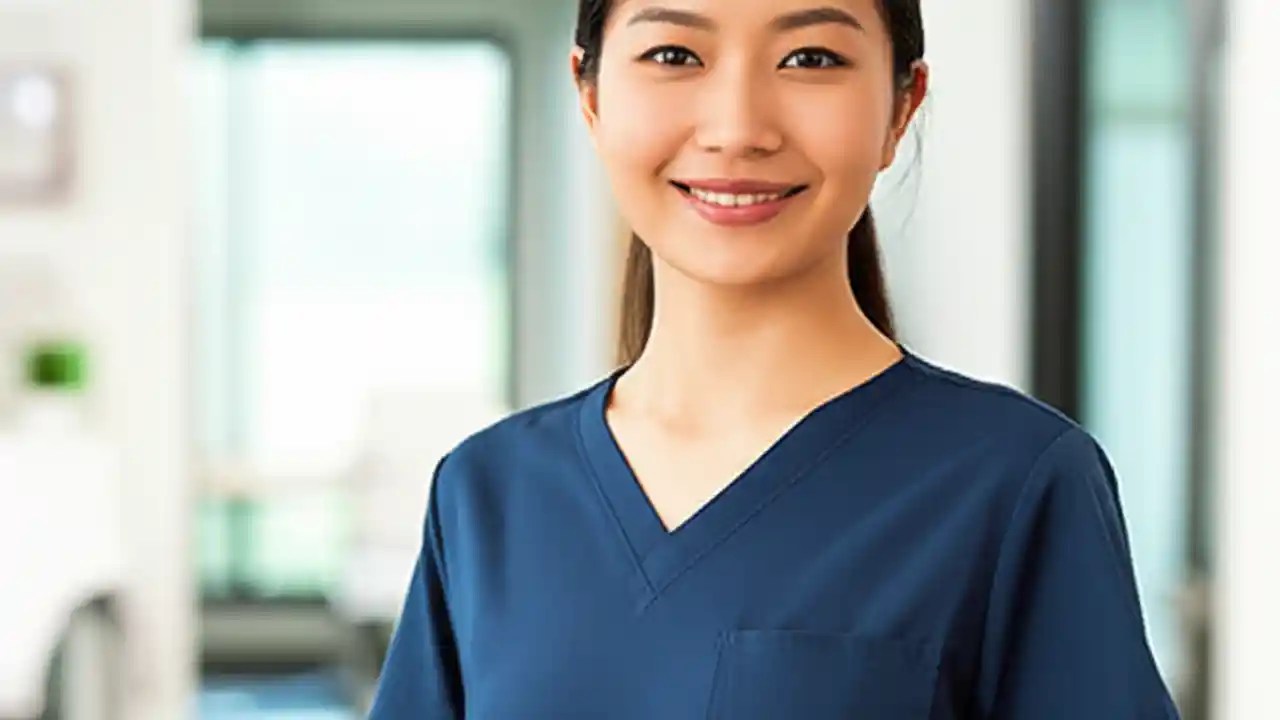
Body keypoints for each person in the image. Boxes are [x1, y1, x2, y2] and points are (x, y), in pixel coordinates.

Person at [369, 0, 1182, 717]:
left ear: (903, 105)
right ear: (589, 94)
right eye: (674, 54)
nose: (737, 128)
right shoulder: (488, 495)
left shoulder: (1014, 485)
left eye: (811, 58)